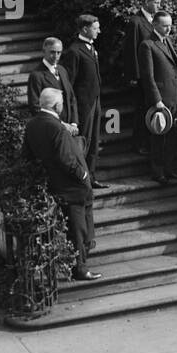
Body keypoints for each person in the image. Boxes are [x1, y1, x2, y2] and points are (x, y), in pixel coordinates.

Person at [23, 88, 101, 281]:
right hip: (73, 187)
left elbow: (27, 155)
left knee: (78, 229)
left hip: (57, 184)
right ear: (57, 106)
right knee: (78, 229)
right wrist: (83, 175)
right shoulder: (56, 127)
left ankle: (79, 260)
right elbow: (66, 159)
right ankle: (80, 269)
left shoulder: (32, 125)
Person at [61, 13, 109, 190]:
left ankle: (91, 175)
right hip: (83, 104)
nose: (99, 31)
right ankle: (80, 177)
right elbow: (69, 84)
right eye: (96, 28)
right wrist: (72, 110)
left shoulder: (91, 48)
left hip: (94, 101)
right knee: (84, 141)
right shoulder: (74, 51)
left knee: (94, 139)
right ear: (85, 29)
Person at [139, 11, 177, 186]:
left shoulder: (167, 42)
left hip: (173, 98)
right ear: (155, 25)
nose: (168, 29)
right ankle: (157, 172)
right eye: (165, 26)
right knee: (159, 136)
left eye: (170, 25)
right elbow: (148, 77)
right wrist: (156, 100)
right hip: (160, 100)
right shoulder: (147, 45)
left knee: (171, 136)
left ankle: (169, 168)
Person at [126, 0, 163, 154]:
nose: (159, 5)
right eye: (156, 2)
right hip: (142, 75)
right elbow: (130, 49)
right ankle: (138, 144)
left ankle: (147, 143)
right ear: (146, 2)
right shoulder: (135, 22)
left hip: (154, 73)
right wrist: (134, 76)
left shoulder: (156, 20)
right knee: (141, 109)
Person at [26, 37, 78, 130]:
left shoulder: (62, 70)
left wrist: (74, 123)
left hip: (69, 127)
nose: (56, 56)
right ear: (44, 51)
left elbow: (71, 98)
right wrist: (61, 124)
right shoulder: (37, 75)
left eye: (59, 52)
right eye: (52, 52)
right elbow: (35, 107)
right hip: (50, 128)